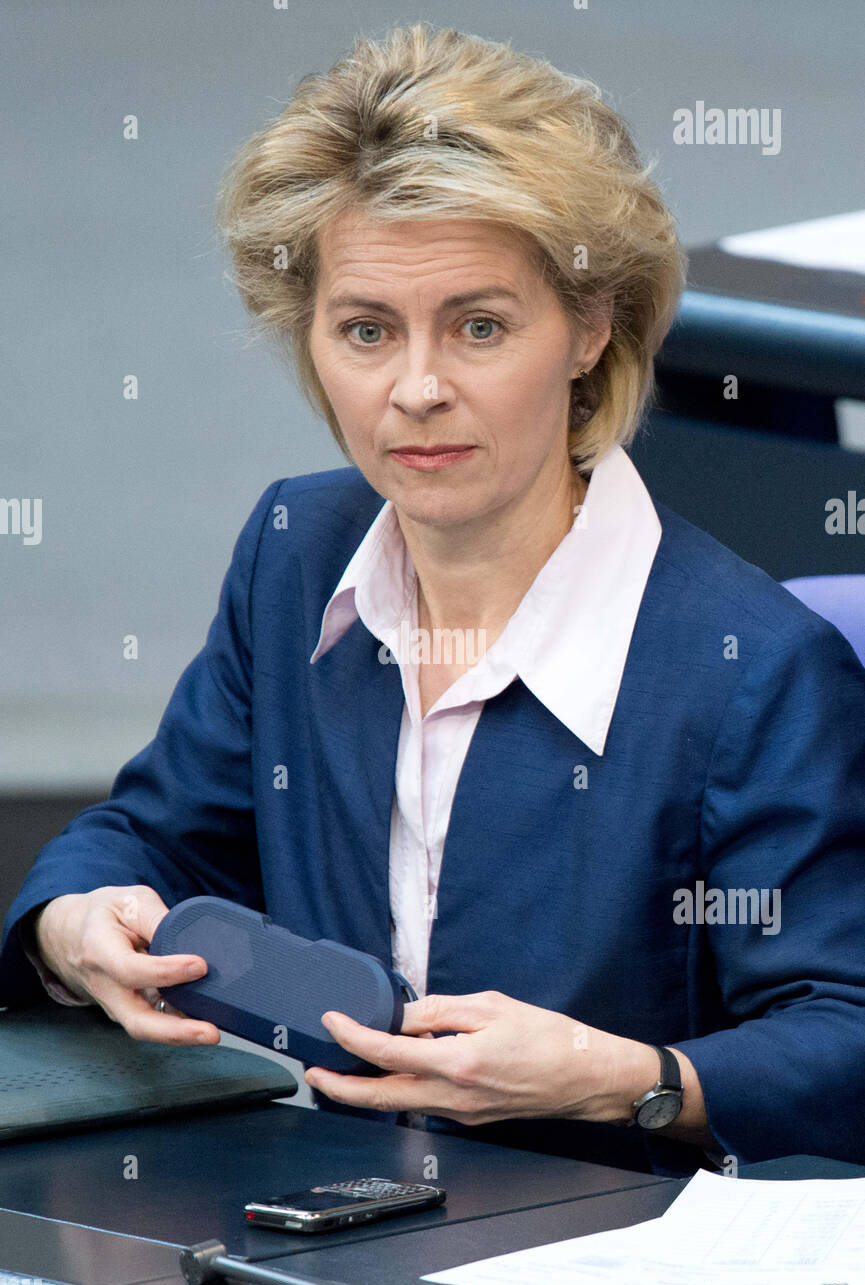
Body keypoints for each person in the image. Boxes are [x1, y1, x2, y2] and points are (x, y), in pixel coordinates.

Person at [3, 22, 865, 1180]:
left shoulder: (754, 666)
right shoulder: (294, 553)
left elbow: (841, 1039)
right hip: (325, 1218)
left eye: (479, 326)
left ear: (589, 326)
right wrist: (70, 925)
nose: (415, 389)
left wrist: (630, 1080)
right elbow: (156, 835)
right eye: (366, 330)